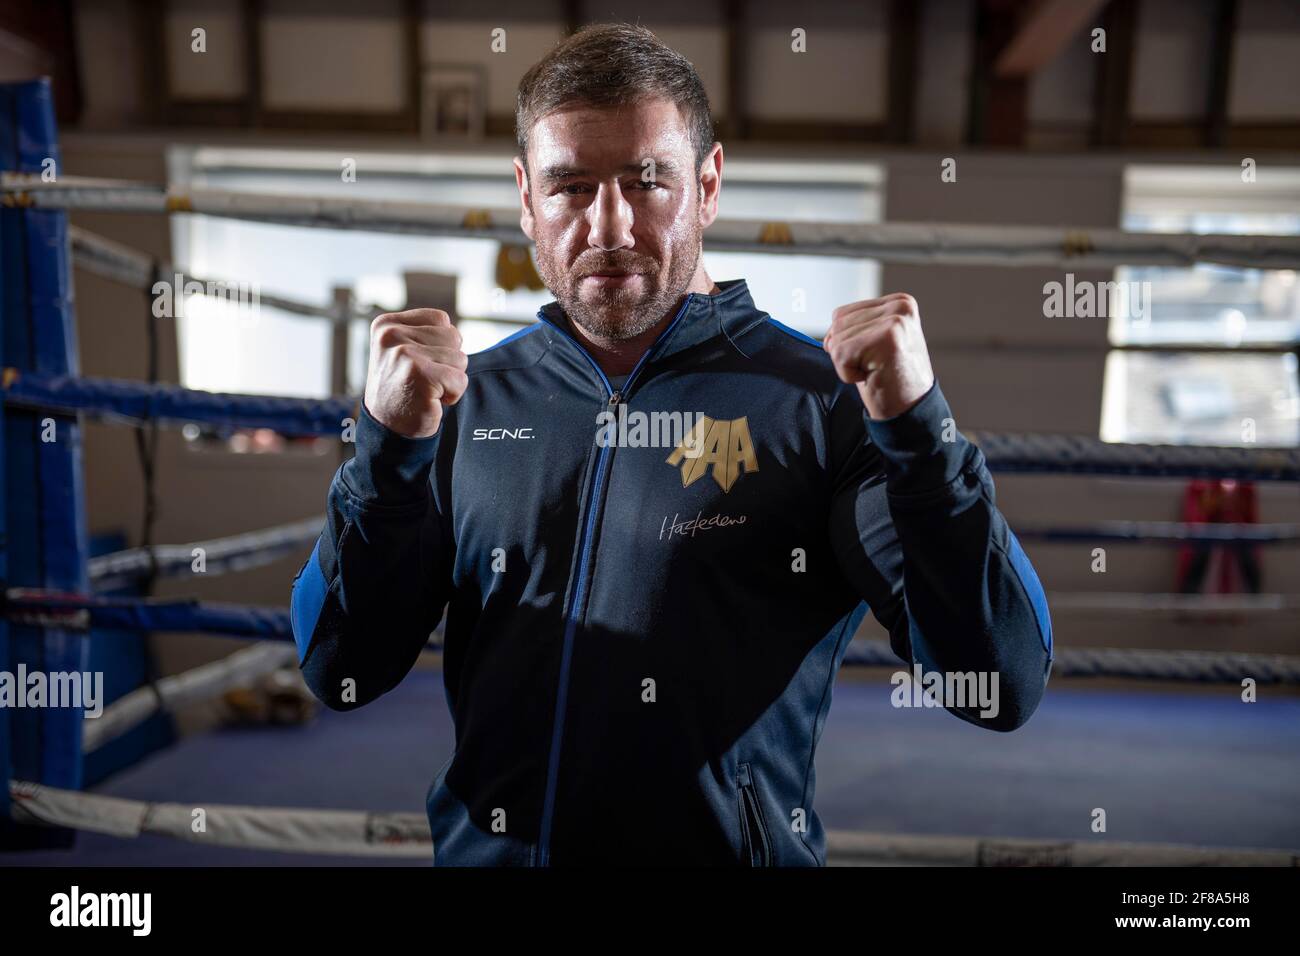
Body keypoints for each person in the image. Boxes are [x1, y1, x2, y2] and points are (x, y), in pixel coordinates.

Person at [290, 23, 1053, 867]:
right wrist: (386, 455)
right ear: (524, 197)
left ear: (709, 184)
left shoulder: (820, 405)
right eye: (570, 187)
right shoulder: (467, 402)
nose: (608, 225)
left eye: (647, 180)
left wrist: (919, 431)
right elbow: (340, 670)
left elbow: (1002, 682)